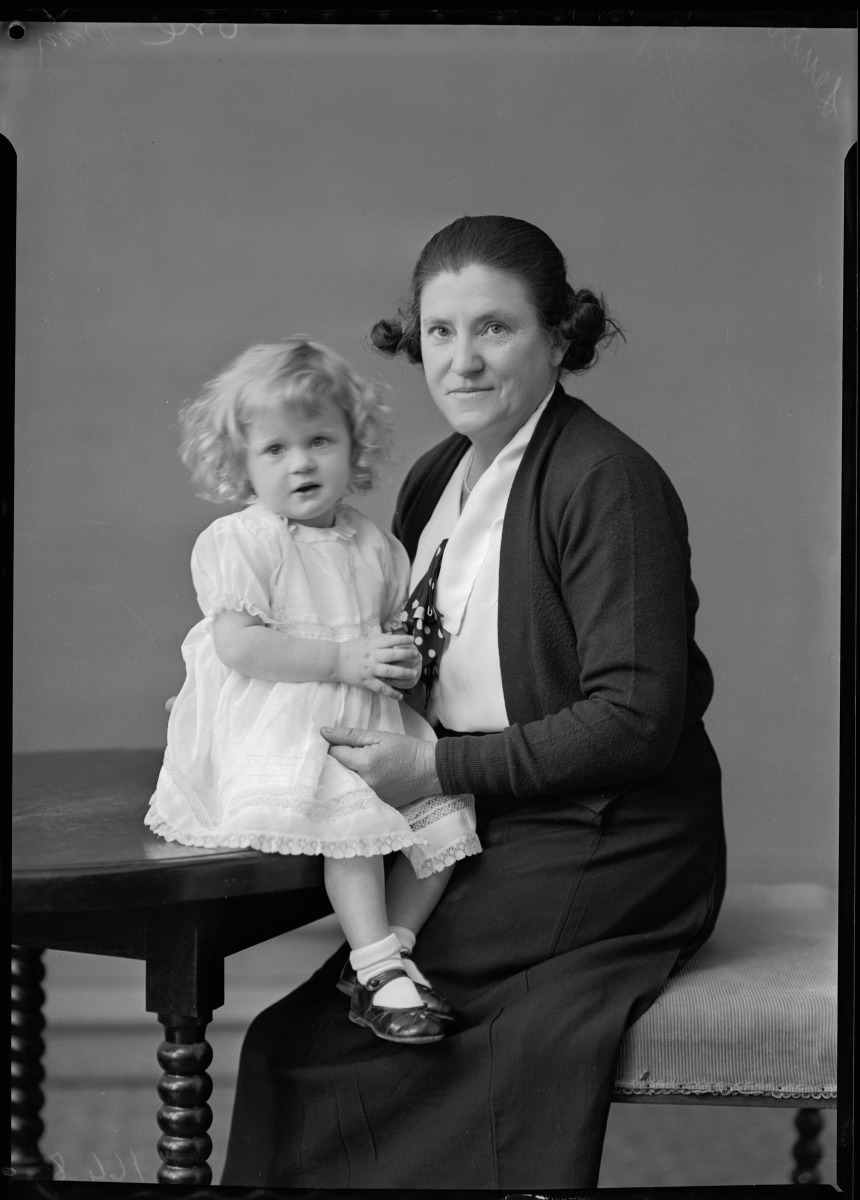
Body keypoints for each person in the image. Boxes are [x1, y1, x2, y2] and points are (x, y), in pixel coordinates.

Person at [220, 216, 726, 1191]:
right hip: (489, 816)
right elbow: (444, 669)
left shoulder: (606, 482)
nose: (460, 359)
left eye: (492, 329)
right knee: (298, 1037)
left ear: (556, 335)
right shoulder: (431, 480)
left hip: (610, 833)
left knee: (335, 1047)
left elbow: (633, 722)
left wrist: (432, 769)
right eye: (440, 332)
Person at [146, 338, 481, 1046]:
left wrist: (395, 663)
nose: (301, 462)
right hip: (282, 721)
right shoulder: (244, 541)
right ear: (241, 463)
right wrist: (343, 657)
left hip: (359, 713)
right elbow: (241, 645)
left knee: (445, 813)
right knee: (355, 816)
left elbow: (382, 639)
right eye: (275, 450)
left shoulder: (376, 547)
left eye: (320, 440)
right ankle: (378, 964)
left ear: (353, 448)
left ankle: (389, 952)